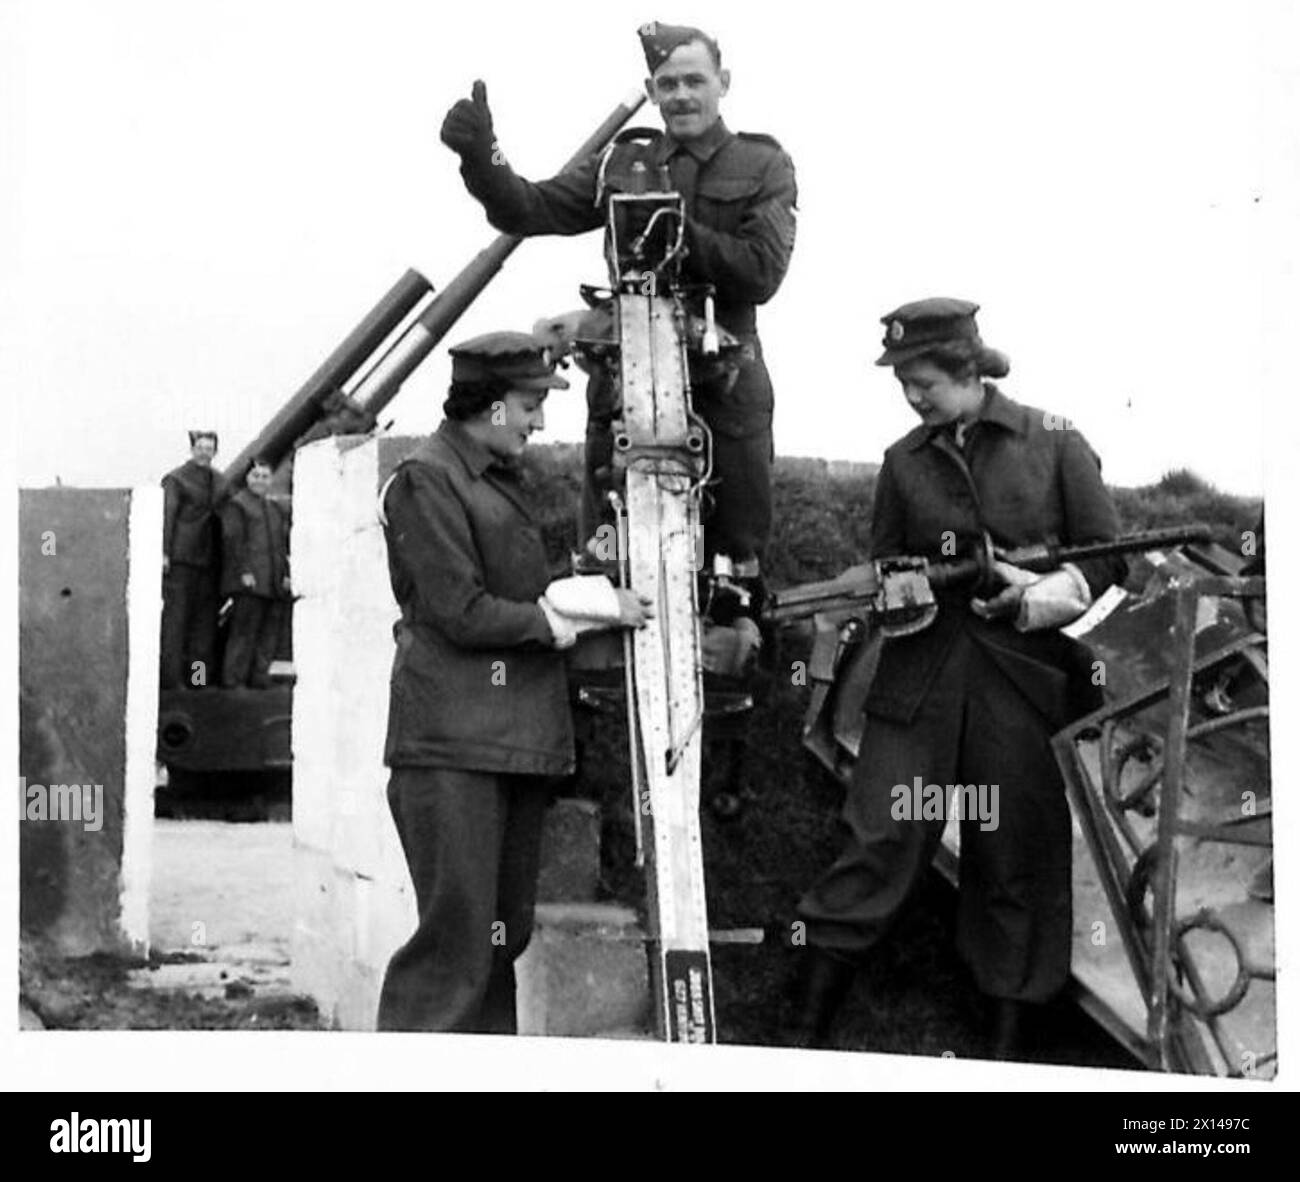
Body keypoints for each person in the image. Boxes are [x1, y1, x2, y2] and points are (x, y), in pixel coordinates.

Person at [791, 298, 1128, 1057]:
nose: (913, 398)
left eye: (925, 382)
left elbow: (1109, 554)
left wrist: (1035, 598)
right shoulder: (903, 461)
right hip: (918, 685)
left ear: (969, 372)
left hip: (1020, 684)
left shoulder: (1055, 441)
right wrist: (891, 586)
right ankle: (799, 1038)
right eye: (903, 383)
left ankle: (1005, 1055)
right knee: (880, 836)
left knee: (1014, 858)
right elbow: (883, 565)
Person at [439, 20, 797, 597]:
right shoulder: (621, 163)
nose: (680, 95)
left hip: (724, 390)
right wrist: (484, 157)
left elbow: (761, 272)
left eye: (694, 81)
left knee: (732, 571)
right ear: (651, 91)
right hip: (625, 385)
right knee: (610, 559)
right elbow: (527, 207)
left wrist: (673, 226)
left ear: (722, 83)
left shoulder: (763, 166)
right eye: (667, 83)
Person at [375, 330, 654, 1033]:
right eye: (530, 405)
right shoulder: (427, 479)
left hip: (509, 742)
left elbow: (512, 590)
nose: (537, 420)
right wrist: (558, 620)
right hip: (452, 746)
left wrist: (575, 598)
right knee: (455, 950)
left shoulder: (494, 481)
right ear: (491, 405)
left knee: (501, 940)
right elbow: (458, 610)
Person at [219, 458, 291, 689]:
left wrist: (285, 574)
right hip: (249, 582)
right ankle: (233, 680)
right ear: (248, 478)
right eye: (256, 476)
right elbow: (233, 541)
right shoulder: (238, 505)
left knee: (267, 634)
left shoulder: (273, 509)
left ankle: (258, 677)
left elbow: (280, 545)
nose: (260, 481)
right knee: (244, 633)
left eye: (265, 476)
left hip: (271, 582)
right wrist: (243, 571)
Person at [160, 430, 223, 689]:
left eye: (209, 448)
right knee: (176, 624)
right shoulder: (176, 480)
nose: (204, 452)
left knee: (203, 628)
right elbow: (167, 515)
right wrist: (164, 552)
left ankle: (197, 680)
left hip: (208, 563)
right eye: (200, 447)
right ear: (192, 449)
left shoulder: (219, 481)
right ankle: (172, 681)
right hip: (181, 561)